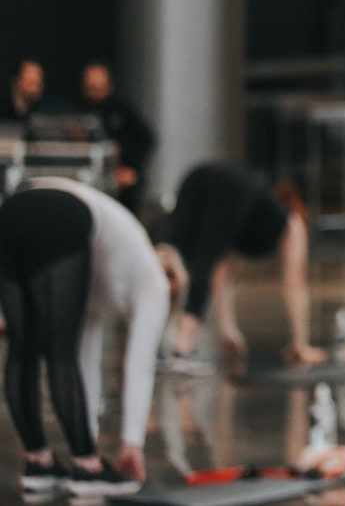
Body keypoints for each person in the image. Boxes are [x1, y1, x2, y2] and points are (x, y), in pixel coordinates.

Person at [0, 177, 183, 497]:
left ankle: (39, 463)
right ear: (174, 285)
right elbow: (139, 367)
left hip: (12, 210)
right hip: (63, 211)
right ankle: (87, 468)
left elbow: (88, 359)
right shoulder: (155, 286)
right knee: (59, 352)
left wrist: (94, 435)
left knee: (22, 347)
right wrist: (131, 444)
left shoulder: (106, 269)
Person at [152, 162, 326, 368]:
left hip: (197, 176)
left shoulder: (246, 216)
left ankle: (156, 339)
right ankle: (181, 344)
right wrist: (301, 344)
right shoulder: (293, 222)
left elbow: (221, 276)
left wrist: (228, 330)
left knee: (177, 253)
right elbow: (295, 286)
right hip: (228, 185)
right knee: (201, 260)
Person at [78, 61, 156, 214]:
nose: (94, 91)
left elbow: (146, 138)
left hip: (120, 181)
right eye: (90, 87)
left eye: (98, 86)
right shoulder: (80, 109)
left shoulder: (121, 109)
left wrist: (132, 167)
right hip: (90, 178)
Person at [1, 59, 45, 124]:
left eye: (39, 84)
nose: (35, 89)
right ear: (15, 82)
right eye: (30, 83)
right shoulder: (2, 110)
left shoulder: (41, 111)